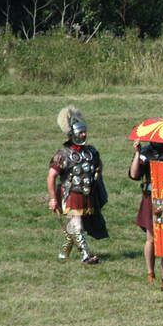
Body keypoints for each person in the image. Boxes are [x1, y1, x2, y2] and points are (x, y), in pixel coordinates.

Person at [47, 106, 107, 264]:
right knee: (77, 223)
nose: (84, 134)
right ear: (72, 134)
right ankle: (86, 255)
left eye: (84, 131)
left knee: (74, 225)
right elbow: (51, 176)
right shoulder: (63, 154)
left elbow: (99, 166)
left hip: (87, 194)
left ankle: (64, 253)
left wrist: (96, 177)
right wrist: (53, 199)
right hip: (71, 194)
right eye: (80, 132)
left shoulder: (91, 151)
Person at [128, 138, 163, 283]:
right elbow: (134, 174)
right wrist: (137, 152)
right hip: (153, 197)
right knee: (151, 238)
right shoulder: (146, 151)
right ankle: (150, 273)